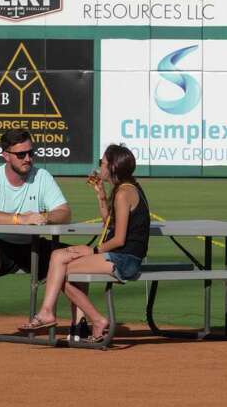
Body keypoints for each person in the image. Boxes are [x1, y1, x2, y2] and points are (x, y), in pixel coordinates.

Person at [18, 144, 149, 343]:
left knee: (59, 271)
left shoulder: (124, 193)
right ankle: (51, 313)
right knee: (57, 257)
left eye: (102, 163)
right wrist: (101, 195)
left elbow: (119, 239)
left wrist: (94, 250)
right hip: (120, 255)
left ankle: (92, 319)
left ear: (113, 167)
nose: (100, 167)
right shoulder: (125, 188)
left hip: (125, 259)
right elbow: (109, 224)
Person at [0, 129, 71, 344]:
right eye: (21, 154)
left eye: (31, 153)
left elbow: (65, 212)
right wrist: (20, 219)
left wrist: (45, 216)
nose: (28, 159)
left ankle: (80, 326)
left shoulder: (42, 176)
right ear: (6, 155)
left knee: (72, 256)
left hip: (28, 245)